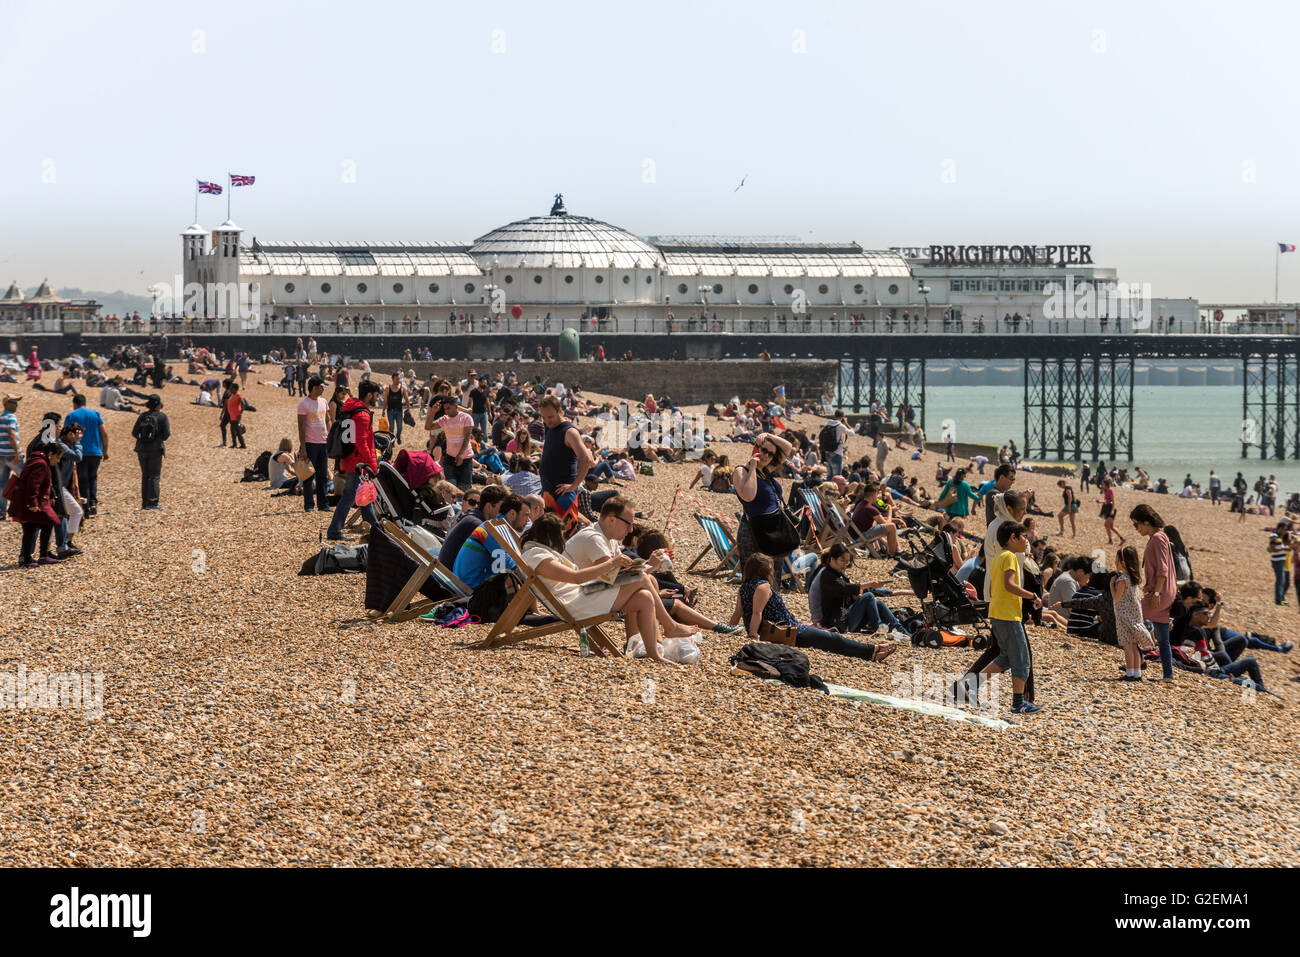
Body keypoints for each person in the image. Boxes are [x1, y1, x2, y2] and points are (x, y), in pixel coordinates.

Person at [520, 514, 683, 665]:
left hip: (583, 593)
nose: (563, 539)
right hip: (575, 603)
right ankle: (670, 626)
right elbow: (575, 577)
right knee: (641, 577)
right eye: (561, 535)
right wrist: (612, 563)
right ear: (550, 536)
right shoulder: (536, 555)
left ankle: (655, 654)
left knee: (644, 596)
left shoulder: (540, 552)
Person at [729, 554, 897, 662]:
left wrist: (728, 631)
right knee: (833, 640)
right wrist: (752, 636)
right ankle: (873, 651)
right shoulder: (763, 586)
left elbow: (738, 614)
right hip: (788, 632)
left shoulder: (743, 588)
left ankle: (871, 651)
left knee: (829, 637)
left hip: (785, 629)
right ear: (765, 570)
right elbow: (757, 613)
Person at [979, 522, 1041, 714]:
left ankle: (969, 686)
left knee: (1006, 657)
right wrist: (1032, 596)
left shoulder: (998, 557)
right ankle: (1018, 703)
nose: (1026, 541)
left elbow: (991, 587)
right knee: (1022, 659)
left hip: (997, 613)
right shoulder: (1010, 557)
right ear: (1013, 538)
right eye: (1023, 537)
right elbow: (1010, 585)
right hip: (1008, 615)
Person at [807, 543, 909, 640]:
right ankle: (878, 629)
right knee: (868, 596)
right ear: (832, 559)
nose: (845, 565)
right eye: (842, 560)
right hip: (838, 623)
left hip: (845, 618)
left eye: (847, 561)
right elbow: (844, 587)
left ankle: (904, 632)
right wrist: (871, 584)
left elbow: (844, 593)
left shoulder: (836, 573)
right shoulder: (827, 576)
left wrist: (854, 597)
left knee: (879, 603)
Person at [326, 380, 381, 541]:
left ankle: (376, 530)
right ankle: (334, 530)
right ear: (369, 395)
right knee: (350, 496)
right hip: (358, 463)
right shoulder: (362, 414)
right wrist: (372, 465)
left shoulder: (352, 409)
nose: (377, 398)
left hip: (350, 459)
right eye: (376, 395)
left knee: (364, 497)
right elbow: (362, 443)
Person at [731, 431, 794, 566]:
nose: (766, 455)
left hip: (774, 531)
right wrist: (753, 466)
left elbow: (788, 448)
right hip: (753, 532)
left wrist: (768, 435)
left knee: (773, 578)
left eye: (770, 454)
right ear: (756, 448)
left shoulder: (767, 470)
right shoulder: (741, 471)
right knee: (754, 578)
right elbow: (748, 496)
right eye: (764, 450)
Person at [1131, 503, 1176, 681]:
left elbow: (1162, 569)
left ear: (1147, 522)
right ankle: (1168, 674)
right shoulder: (1161, 536)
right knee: (1163, 637)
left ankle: (1137, 661)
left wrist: (1156, 593)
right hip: (1167, 592)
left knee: (1131, 620)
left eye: (1136, 524)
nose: (1136, 529)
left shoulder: (1157, 538)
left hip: (1160, 593)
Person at [537, 395, 594, 529]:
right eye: (544, 418)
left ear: (560, 411)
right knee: (552, 531)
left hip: (563, 494)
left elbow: (585, 459)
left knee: (568, 533)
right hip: (549, 491)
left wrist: (574, 486)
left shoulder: (569, 432)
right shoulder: (551, 428)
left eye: (550, 417)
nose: (547, 421)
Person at [451, 493, 529, 589]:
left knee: (521, 577)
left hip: (467, 579)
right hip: (471, 584)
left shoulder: (494, 526)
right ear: (512, 513)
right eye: (526, 515)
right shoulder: (493, 530)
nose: (528, 520)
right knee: (521, 578)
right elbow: (507, 564)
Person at [10, 440, 62, 567]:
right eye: (58, 457)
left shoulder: (38, 461)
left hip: (30, 501)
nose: (58, 461)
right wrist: (32, 503)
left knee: (37, 527)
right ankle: (31, 559)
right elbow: (33, 484)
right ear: (51, 453)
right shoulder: (41, 464)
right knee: (39, 526)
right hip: (32, 503)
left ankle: (32, 557)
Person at [1112, 545, 1157, 680]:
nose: (1115, 561)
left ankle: (1129, 673)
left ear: (1123, 562)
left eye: (1116, 559)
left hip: (1124, 617)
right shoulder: (1133, 579)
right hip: (1135, 617)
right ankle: (1137, 673)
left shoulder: (1122, 579)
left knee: (1127, 647)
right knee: (1134, 646)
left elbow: (1116, 597)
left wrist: (1110, 585)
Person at [438, 483, 508, 569]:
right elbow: (497, 559)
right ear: (489, 506)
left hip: (450, 571)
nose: (502, 512)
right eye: (500, 507)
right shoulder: (475, 524)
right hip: (450, 576)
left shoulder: (472, 517)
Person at [64, 393, 108, 518]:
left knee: (82, 479)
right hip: (95, 452)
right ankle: (93, 502)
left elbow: (65, 434)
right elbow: (104, 433)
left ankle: (86, 508)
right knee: (92, 477)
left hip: (79, 452)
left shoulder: (72, 415)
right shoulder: (96, 414)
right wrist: (105, 451)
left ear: (74, 404)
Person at [296, 377, 330, 513]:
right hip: (310, 444)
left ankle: (323, 504)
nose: (323, 389)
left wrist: (330, 437)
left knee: (323, 476)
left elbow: (327, 420)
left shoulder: (324, 401)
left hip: (323, 443)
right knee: (308, 476)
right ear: (314, 388)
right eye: (321, 387)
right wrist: (303, 447)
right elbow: (301, 427)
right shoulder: (304, 404)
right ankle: (309, 505)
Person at [131, 394, 171, 510]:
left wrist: (142, 440)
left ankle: (144, 503)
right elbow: (167, 434)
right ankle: (152, 502)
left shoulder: (143, 416)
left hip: (141, 449)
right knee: (154, 476)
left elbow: (134, 432)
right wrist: (157, 439)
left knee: (145, 475)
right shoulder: (162, 416)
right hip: (156, 449)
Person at [0, 393, 21, 522]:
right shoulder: (12, 417)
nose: (16, 405)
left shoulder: (1, 417)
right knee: (26, 478)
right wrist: (18, 452)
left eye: (16, 402)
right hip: (12, 455)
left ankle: (2, 512)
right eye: (13, 402)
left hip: (1, 455)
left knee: (2, 484)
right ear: (6, 404)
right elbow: (12, 434)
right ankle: (23, 508)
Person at [1268, 522, 1291, 605]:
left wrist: (1288, 536)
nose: (1285, 531)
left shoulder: (1280, 537)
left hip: (1282, 561)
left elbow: (1288, 543)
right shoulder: (1273, 536)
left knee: (1283, 581)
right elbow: (1273, 549)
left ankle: (1281, 598)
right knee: (1280, 581)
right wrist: (1284, 548)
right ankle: (1279, 600)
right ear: (1280, 528)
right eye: (1285, 529)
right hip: (1277, 561)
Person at [1098, 478, 1124, 544]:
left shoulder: (1110, 490)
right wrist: (1100, 501)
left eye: (1103, 484)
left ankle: (1110, 540)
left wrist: (1112, 510)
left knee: (1106, 525)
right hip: (1107, 509)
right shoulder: (1106, 491)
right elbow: (1106, 501)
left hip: (1111, 509)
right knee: (1111, 527)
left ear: (1106, 484)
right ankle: (1122, 538)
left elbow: (1113, 501)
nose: (1102, 485)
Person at [385, 373, 408, 446]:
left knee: (400, 427)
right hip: (390, 411)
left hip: (399, 411)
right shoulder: (388, 388)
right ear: (392, 379)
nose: (398, 380)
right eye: (397, 379)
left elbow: (407, 400)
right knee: (391, 427)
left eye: (399, 379)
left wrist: (409, 409)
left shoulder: (402, 388)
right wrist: (382, 410)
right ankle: (392, 441)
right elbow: (385, 400)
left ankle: (398, 436)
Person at [225, 381, 247, 449]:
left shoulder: (238, 395)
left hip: (236, 415)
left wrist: (240, 413)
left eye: (231, 388)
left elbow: (243, 404)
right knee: (233, 430)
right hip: (232, 415)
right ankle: (235, 444)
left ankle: (242, 445)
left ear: (235, 389)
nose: (230, 389)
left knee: (236, 430)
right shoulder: (232, 395)